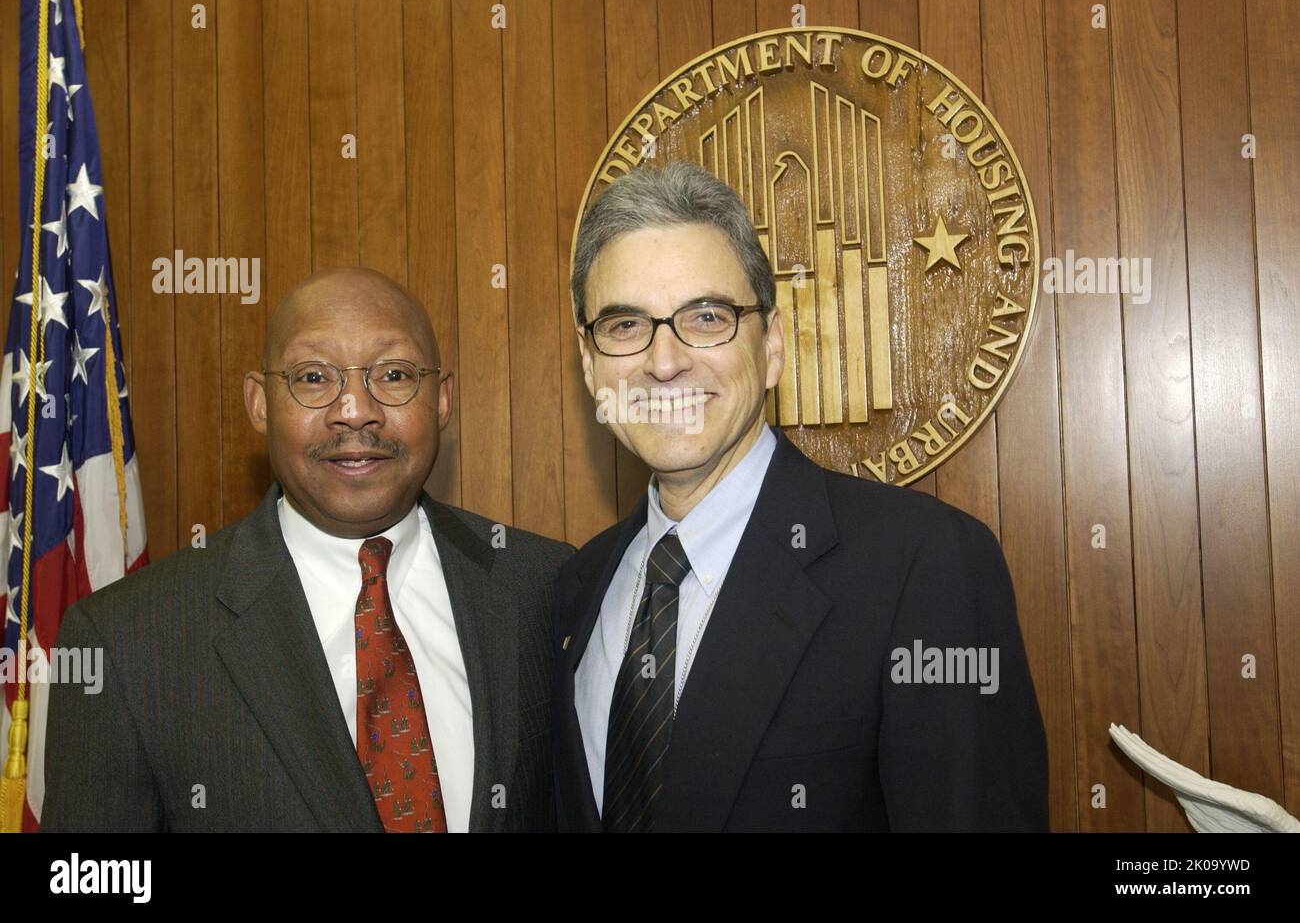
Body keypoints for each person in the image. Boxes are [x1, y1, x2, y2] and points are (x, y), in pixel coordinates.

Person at [553, 162, 1048, 831]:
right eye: (624, 325)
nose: (663, 361)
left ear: (773, 345)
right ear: (590, 365)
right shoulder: (578, 585)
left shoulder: (922, 567)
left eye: (706, 316)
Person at [42, 267, 572, 832]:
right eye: (314, 378)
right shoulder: (127, 639)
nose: (354, 411)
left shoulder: (546, 585)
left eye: (393, 375)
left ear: (441, 401)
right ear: (260, 403)